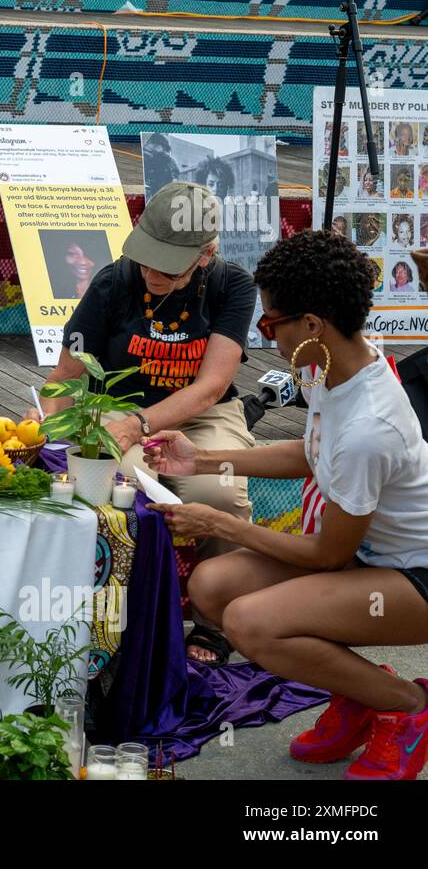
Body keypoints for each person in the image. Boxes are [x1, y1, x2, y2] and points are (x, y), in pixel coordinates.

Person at [145, 229, 428, 780]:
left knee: (251, 623)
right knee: (211, 585)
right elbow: (312, 452)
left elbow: (325, 556)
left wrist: (221, 521)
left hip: (413, 576)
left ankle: (406, 707)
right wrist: (199, 463)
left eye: (273, 323)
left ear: (313, 325)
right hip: (371, 560)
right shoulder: (336, 365)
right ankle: (357, 691)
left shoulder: (371, 423)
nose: (266, 334)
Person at [32, 181, 258, 665]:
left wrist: (141, 424)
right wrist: (42, 420)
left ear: (206, 254)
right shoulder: (113, 282)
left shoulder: (231, 285)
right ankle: (124, 618)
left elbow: (212, 386)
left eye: (169, 262)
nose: (153, 271)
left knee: (221, 492)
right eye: (147, 255)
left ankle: (214, 621)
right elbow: (67, 374)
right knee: (126, 485)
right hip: (117, 404)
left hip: (201, 413)